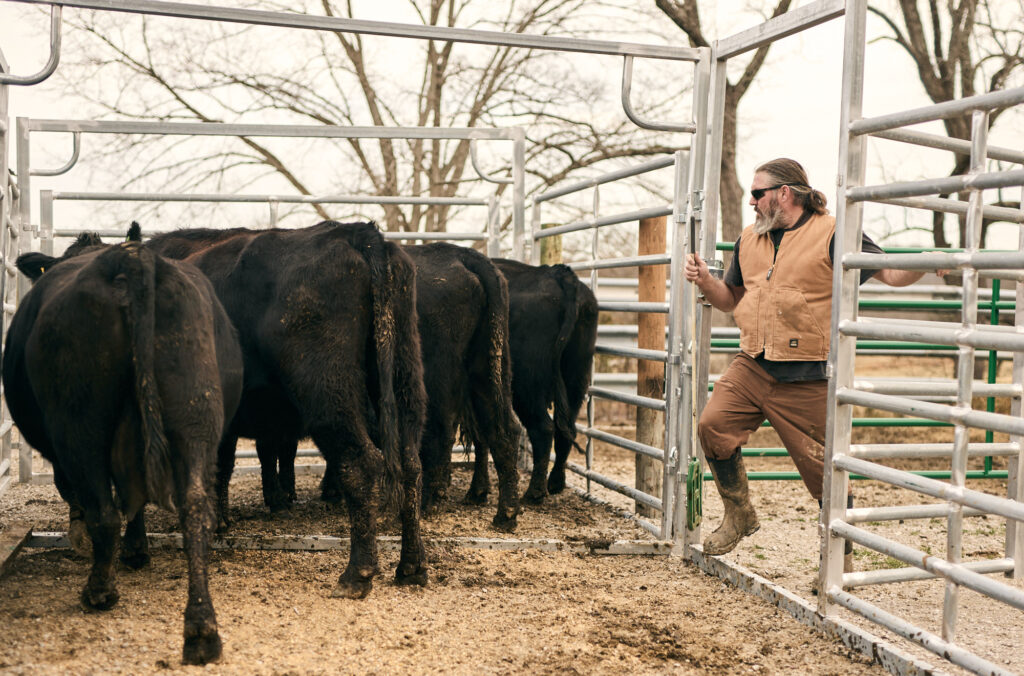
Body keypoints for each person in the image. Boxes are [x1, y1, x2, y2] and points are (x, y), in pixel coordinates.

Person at [684, 157, 936, 560]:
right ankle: (738, 513)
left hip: (808, 376)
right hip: (753, 364)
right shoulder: (749, 239)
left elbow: (888, 273)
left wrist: (925, 263)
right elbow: (730, 300)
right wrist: (706, 281)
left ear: (784, 194)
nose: (751, 202)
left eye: (757, 193)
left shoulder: (834, 232)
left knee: (827, 473)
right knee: (713, 427)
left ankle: (840, 558)